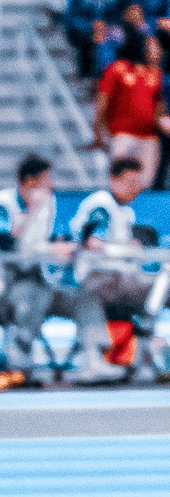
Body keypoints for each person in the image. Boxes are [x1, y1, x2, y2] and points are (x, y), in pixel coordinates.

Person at [0, 154, 111, 390]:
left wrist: (63, 247)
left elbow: (41, 246)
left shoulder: (49, 202)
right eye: (46, 179)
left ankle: (94, 361)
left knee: (84, 298)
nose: (51, 185)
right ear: (29, 182)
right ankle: (20, 362)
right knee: (33, 295)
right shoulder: (0, 203)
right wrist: (31, 213)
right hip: (4, 285)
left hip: (41, 280)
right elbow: (6, 245)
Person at [70, 158, 160, 379]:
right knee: (161, 287)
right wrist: (124, 249)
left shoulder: (126, 212)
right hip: (101, 278)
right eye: (129, 182)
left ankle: (142, 350)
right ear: (113, 180)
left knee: (159, 292)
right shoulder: (101, 205)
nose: (135, 188)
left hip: (121, 279)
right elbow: (93, 240)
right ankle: (143, 351)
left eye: (137, 183)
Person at [96, 31, 166, 187]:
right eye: (152, 46)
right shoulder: (117, 69)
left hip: (149, 137)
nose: (157, 50)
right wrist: (98, 130)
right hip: (123, 135)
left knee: (145, 183)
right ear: (139, 46)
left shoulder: (156, 74)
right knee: (121, 180)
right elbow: (103, 100)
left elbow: (158, 110)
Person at [64, 0, 123, 79]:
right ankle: (89, 76)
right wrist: (91, 25)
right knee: (95, 38)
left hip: (106, 32)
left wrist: (105, 26)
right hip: (81, 30)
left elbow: (117, 18)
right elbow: (71, 17)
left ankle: (108, 76)